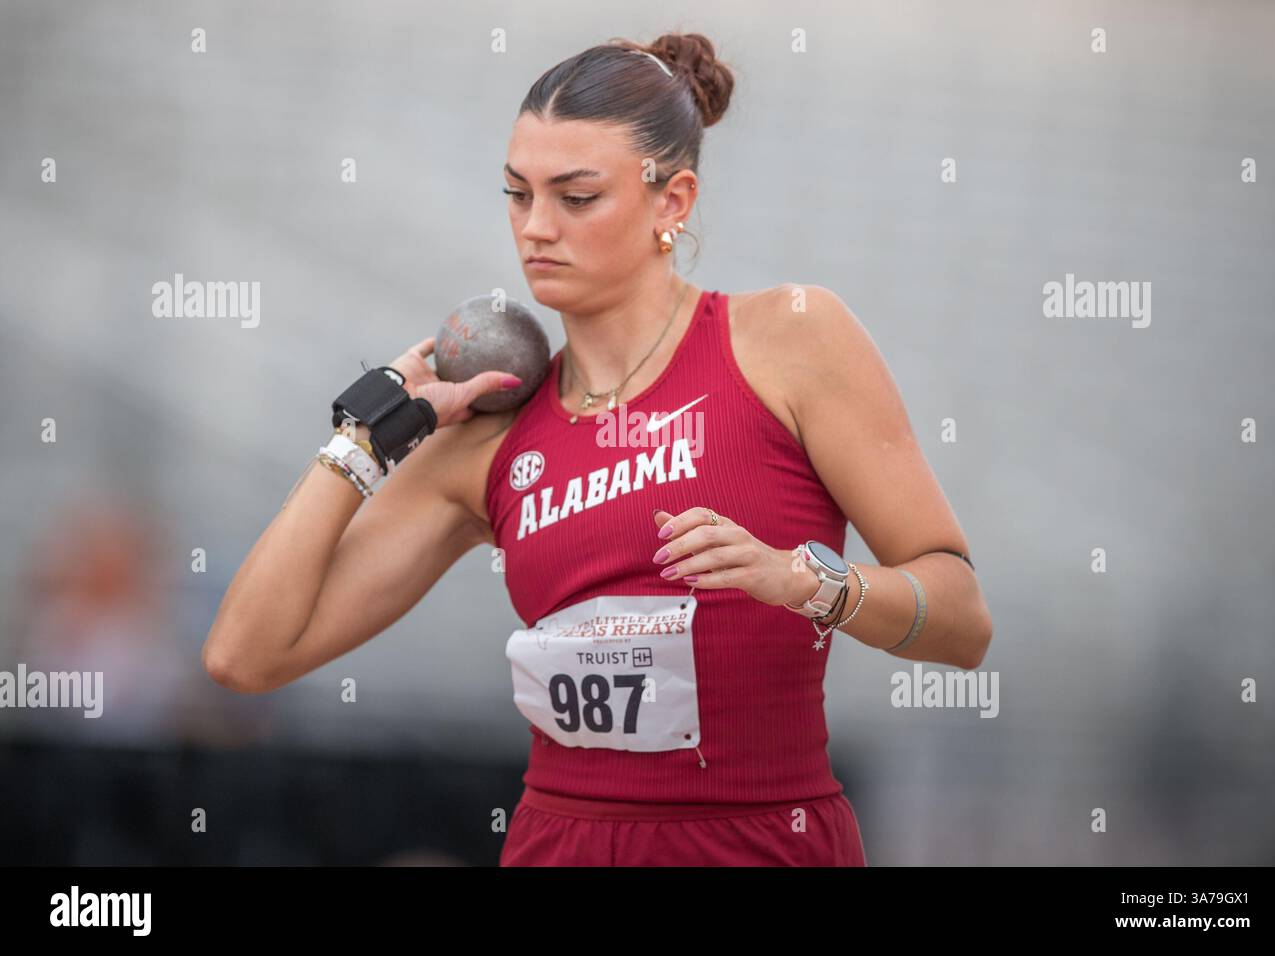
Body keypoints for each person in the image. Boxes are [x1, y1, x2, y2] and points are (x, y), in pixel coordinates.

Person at [203, 31, 993, 867]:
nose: (536, 228)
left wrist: (801, 580)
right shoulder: (492, 438)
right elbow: (244, 656)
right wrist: (365, 436)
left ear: (672, 201)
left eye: (576, 198)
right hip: (560, 846)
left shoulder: (790, 340)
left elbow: (962, 622)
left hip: (762, 843)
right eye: (516, 194)